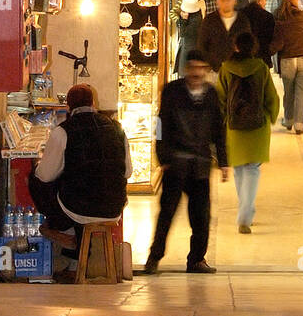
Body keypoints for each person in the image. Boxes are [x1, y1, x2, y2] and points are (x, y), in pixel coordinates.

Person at [141, 53, 229, 274]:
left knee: (201, 215)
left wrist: (224, 161)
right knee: (167, 214)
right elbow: (160, 124)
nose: (197, 73)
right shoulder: (173, 91)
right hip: (176, 162)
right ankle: (154, 257)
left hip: (200, 163)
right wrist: (162, 157)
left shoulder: (210, 94)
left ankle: (197, 259)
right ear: (187, 68)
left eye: (202, 68)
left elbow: (218, 128)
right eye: (194, 68)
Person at [30, 84, 130, 268]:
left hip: (77, 207)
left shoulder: (63, 131)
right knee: (82, 191)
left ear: (68, 106)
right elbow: (127, 172)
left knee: (37, 179)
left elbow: (45, 175)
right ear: (93, 103)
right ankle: (74, 257)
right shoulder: (117, 128)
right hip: (113, 206)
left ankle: (63, 230)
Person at [217, 31, 280, 232]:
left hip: (234, 128)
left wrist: (221, 122)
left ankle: (244, 209)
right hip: (257, 126)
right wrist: (271, 116)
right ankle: (245, 213)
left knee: (239, 169)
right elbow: (272, 97)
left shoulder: (226, 68)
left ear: (235, 47)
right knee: (253, 169)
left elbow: (220, 98)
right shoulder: (261, 68)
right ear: (253, 48)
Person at [270, 0, 303, 134]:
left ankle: (288, 119)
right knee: (302, 92)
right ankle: (299, 125)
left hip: (287, 60)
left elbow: (277, 44)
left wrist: (266, 52)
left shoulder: (282, 22)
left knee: (289, 91)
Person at [197, 0, 252, 72]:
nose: (226, 3)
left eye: (228, 0)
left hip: (237, 69)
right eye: (222, 0)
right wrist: (208, 64)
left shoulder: (242, 20)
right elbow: (202, 44)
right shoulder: (209, 20)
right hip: (214, 69)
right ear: (217, 2)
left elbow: (248, 44)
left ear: (234, 1)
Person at [240, 0, 275, 67]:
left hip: (244, 59)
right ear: (259, 1)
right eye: (265, 0)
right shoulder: (268, 16)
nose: (265, 2)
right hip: (262, 59)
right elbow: (270, 39)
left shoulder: (240, 15)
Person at [175, 0, 203, 75]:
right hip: (186, 46)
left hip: (190, 49)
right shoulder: (194, 15)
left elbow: (183, 33)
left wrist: (184, 20)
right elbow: (178, 24)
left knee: (186, 73)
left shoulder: (196, 20)